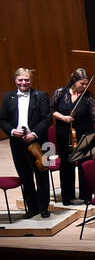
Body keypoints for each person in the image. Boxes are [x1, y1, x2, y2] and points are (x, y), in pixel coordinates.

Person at [1, 68, 52, 219]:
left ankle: (43, 208)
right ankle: (32, 208)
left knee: (42, 175)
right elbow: (2, 120)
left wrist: (34, 133)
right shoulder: (8, 97)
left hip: (38, 141)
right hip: (18, 143)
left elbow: (47, 119)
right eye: (20, 80)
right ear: (15, 80)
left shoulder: (41, 96)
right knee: (25, 176)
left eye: (26, 79)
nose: (23, 83)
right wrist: (11, 131)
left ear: (31, 80)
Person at [49, 68, 95, 205]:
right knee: (66, 164)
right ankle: (67, 196)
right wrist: (62, 117)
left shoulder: (88, 96)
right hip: (64, 134)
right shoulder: (60, 93)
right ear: (74, 81)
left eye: (86, 84)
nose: (85, 86)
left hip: (84, 134)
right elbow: (50, 110)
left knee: (84, 164)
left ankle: (86, 195)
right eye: (82, 83)